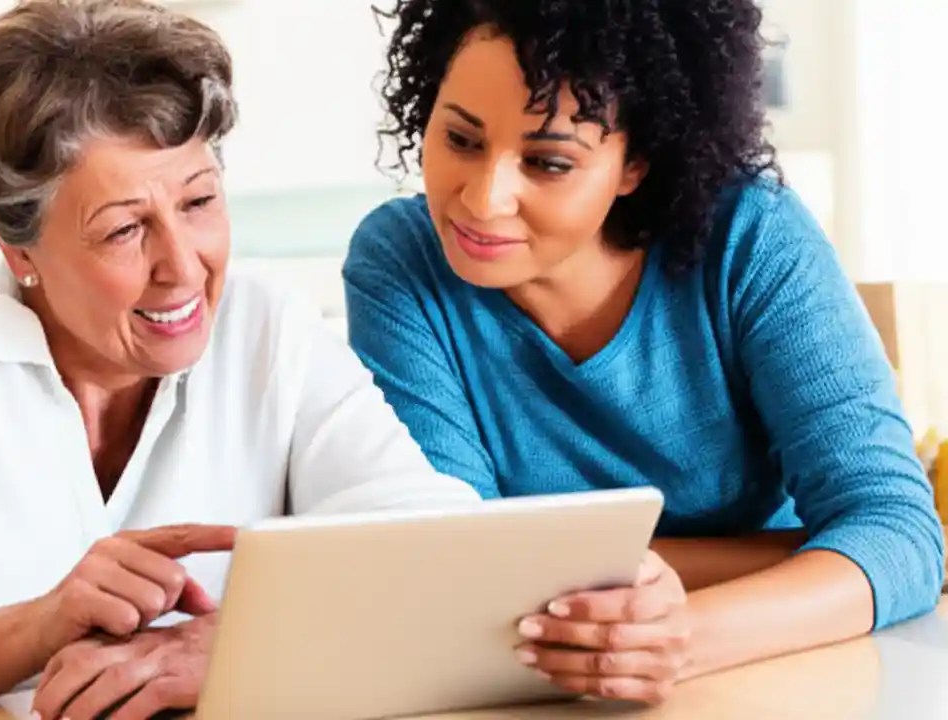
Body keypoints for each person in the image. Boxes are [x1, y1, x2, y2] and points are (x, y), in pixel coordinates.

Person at [0, 2, 689, 719]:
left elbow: (436, 555)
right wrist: (39, 624)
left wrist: (228, 652)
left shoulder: (267, 325)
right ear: (13, 242)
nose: (183, 266)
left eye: (198, 202)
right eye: (122, 230)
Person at [344, 0, 947, 703]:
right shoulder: (401, 263)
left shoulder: (751, 240)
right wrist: (793, 552)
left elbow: (901, 537)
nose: (483, 199)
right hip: (543, 687)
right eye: (461, 139)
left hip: (788, 674)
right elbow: (461, 565)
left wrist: (683, 632)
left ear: (636, 162)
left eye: (547, 162)